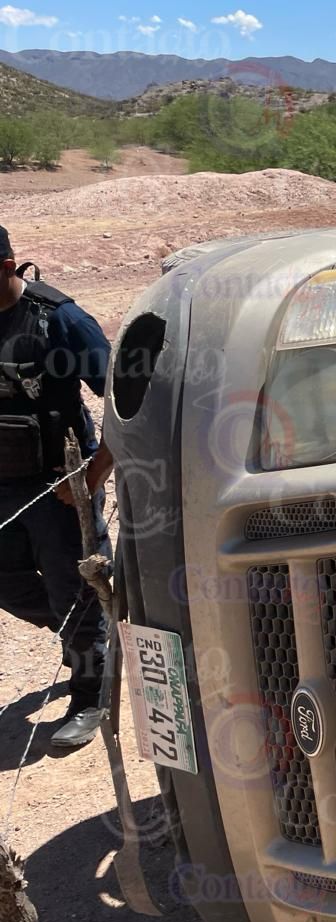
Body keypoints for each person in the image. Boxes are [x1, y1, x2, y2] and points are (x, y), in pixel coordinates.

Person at [0, 224, 113, 749]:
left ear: (8, 265)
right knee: (18, 587)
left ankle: (90, 697)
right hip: (3, 483)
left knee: (75, 589)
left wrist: (91, 478)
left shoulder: (59, 319)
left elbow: (128, 401)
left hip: (58, 483)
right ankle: (94, 631)